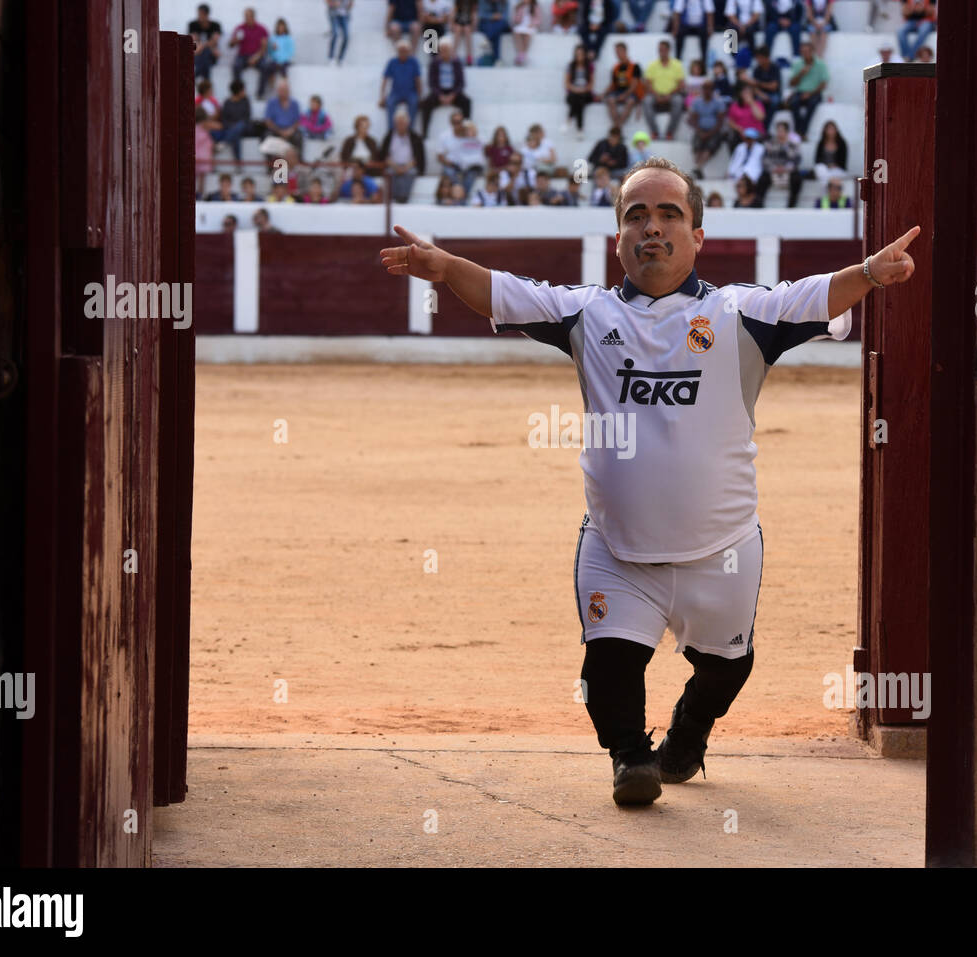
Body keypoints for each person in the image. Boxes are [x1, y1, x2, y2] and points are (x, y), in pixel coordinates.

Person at [379, 158, 921, 806]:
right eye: (636, 215)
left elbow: (809, 294)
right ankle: (631, 757)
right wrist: (443, 268)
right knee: (607, 672)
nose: (652, 227)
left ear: (698, 236)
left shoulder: (739, 313)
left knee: (727, 667)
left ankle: (689, 734)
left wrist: (866, 273)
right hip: (617, 549)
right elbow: (506, 291)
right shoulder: (588, 315)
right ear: (618, 239)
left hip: (720, 550)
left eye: (669, 214)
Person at [420, 37, 473, 138]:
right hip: (438, 93)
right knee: (426, 104)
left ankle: (467, 132)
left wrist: (453, 95)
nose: (444, 52)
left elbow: (461, 83)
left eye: (446, 50)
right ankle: (424, 134)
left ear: (451, 50)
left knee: (467, 102)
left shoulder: (457, 63)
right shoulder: (434, 63)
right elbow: (431, 83)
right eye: (442, 50)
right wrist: (440, 95)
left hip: (453, 92)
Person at [379, 107, 426, 203]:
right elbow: (383, 155)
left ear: (407, 123)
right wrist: (396, 167)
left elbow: (419, 157)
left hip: (410, 166)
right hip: (392, 165)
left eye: (402, 123)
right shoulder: (389, 136)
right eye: (398, 123)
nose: (400, 125)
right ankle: (394, 198)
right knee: (391, 174)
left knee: (409, 174)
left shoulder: (415, 137)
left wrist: (405, 168)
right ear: (395, 124)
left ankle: (403, 199)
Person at [786, 39, 828, 140]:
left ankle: (801, 132)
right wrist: (801, 74)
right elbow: (791, 83)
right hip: (800, 92)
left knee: (811, 105)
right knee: (794, 103)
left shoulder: (821, 64)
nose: (805, 54)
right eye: (803, 52)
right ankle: (799, 131)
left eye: (807, 52)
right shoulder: (797, 64)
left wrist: (810, 93)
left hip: (815, 92)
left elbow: (823, 83)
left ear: (812, 52)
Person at [643, 41, 686, 141]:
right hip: (655, 95)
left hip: (672, 95)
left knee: (679, 101)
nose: (661, 52)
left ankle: (669, 132)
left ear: (668, 50)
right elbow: (648, 83)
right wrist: (656, 95)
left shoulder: (677, 64)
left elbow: (681, 84)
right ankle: (654, 132)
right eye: (659, 50)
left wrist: (670, 95)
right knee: (647, 101)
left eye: (663, 50)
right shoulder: (652, 65)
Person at [380, 38, 423, 131]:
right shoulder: (392, 62)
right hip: (396, 92)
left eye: (405, 51)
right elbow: (385, 79)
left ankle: (410, 131)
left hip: (411, 92)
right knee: (390, 104)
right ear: (397, 51)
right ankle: (391, 131)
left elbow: (418, 80)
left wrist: (420, 96)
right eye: (401, 51)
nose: (403, 53)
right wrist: (382, 96)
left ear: (409, 51)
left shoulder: (414, 62)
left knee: (414, 103)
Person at [687, 79, 727, 178]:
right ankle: (698, 168)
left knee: (710, 146)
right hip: (700, 130)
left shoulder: (718, 102)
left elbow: (720, 121)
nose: (707, 91)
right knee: (697, 146)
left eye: (709, 89)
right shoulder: (697, 102)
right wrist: (700, 132)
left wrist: (709, 133)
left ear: (713, 90)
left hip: (714, 131)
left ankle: (697, 169)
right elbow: (693, 118)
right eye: (705, 88)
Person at [758, 118, 802, 206]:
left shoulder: (792, 144)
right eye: (778, 131)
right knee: (762, 180)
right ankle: (759, 204)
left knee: (797, 179)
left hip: (788, 171)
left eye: (782, 131)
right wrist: (774, 168)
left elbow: (797, 160)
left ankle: (791, 205)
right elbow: (765, 159)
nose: (779, 133)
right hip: (773, 170)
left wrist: (785, 168)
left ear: (787, 132)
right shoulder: (770, 143)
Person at [602, 42, 644, 129]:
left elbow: (634, 85)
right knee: (610, 100)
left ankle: (617, 127)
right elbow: (612, 85)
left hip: (631, 93)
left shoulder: (635, 66)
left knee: (630, 102)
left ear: (625, 51)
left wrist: (625, 95)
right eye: (616, 52)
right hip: (618, 91)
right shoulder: (616, 68)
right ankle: (618, 126)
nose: (617, 54)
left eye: (619, 51)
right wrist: (602, 94)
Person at [228, 8, 269, 86]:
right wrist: (234, 41)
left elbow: (264, 47)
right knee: (236, 66)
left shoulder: (261, 29)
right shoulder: (240, 28)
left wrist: (256, 57)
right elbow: (230, 45)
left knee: (265, 67)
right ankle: (239, 92)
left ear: (253, 17)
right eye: (245, 16)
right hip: (242, 56)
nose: (246, 18)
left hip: (257, 56)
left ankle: (260, 94)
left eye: (248, 16)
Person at [743, 46, 782, 129]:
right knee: (754, 103)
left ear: (766, 58)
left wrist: (758, 83)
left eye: (760, 58)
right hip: (760, 94)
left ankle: (766, 128)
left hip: (773, 94)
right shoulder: (757, 69)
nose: (758, 60)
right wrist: (762, 94)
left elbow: (774, 87)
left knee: (773, 102)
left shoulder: (775, 68)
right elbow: (754, 87)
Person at [263, 79, 303, 154]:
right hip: (275, 130)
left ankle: (297, 161)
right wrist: (280, 131)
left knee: (298, 136)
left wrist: (290, 130)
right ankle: (271, 163)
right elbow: (268, 121)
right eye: (282, 90)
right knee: (266, 135)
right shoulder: (271, 103)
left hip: (291, 130)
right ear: (278, 91)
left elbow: (298, 121)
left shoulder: (295, 103)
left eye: (285, 90)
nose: (284, 92)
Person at [564, 43, 596, 138]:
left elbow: (591, 84)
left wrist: (582, 90)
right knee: (578, 100)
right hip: (573, 93)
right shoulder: (571, 66)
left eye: (581, 54)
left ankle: (569, 119)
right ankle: (580, 129)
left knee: (580, 98)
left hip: (586, 93)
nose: (579, 56)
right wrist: (576, 89)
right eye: (577, 54)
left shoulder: (589, 66)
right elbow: (567, 83)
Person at [724, 0, 766, 67]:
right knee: (731, 31)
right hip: (737, 24)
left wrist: (746, 26)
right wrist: (740, 26)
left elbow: (757, 14)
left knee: (750, 31)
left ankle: (752, 57)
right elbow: (730, 15)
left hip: (751, 23)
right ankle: (733, 58)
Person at [259, 18, 294, 97]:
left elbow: (290, 52)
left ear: (285, 28)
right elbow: (270, 52)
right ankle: (272, 91)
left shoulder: (288, 38)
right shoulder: (273, 38)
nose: (280, 29)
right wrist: (272, 48)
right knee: (268, 69)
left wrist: (281, 61)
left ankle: (285, 92)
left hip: (284, 61)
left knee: (283, 70)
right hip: (275, 61)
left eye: (282, 27)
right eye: (279, 27)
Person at [725, 85, 765, 151]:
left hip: (756, 133)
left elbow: (760, 118)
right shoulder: (734, 105)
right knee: (732, 140)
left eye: (749, 93)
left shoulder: (758, 104)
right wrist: (739, 129)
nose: (747, 95)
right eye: (745, 93)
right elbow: (730, 121)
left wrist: (752, 103)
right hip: (741, 133)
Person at [189, 4, 223, 80]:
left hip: (210, 54)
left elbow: (215, 40)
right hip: (199, 54)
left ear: (206, 14)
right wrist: (206, 45)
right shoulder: (193, 24)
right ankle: (206, 81)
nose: (199, 16)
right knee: (205, 55)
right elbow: (193, 39)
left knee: (206, 52)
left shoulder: (215, 25)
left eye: (201, 14)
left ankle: (195, 75)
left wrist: (202, 46)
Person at [812, 119, 847, 184]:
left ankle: (829, 190)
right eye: (829, 129)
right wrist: (827, 165)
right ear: (825, 131)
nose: (831, 132)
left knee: (829, 175)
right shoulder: (821, 143)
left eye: (832, 129)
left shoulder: (842, 144)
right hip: (824, 169)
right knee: (820, 168)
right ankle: (829, 189)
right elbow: (817, 160)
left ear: (836, 130)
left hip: (837, 170)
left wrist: (835, 165)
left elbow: (843, 162)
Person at [477, 0, 511, 64]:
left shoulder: (504, 2)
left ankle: (488, 39)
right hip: (487, 24)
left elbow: (506, 16)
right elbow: (481, 15)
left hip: (500, 24)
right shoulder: (482, 1)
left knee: (500, 23)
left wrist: (498, 17)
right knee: (496, 31)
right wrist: (492, 16)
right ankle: (497, 59)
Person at [510, 0, 541, 66]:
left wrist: (532, 24)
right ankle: (521, 53)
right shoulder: (520, 6)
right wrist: (517, 21)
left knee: (527, 33)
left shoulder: (535, 7)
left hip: (531, 25)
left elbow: (538, 19)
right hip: (521, 25)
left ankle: (523, 54)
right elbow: (515, 18)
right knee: (516, 31)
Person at [452, 0, 479, 65]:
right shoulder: (458, 2)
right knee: (458, 30)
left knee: (467, 31)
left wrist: (474, 25)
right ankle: (453, 55)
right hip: (459, 20)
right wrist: (452, 24)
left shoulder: (473, 2)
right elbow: (454, 12)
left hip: (468, 21)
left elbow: (474, 13)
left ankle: (469, 56)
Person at [327, 0, 353, 64]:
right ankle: (331, 57)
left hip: (344, 15)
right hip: (334, 14)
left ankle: (340, 58)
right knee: (335, 34)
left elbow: (351, 4)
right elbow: (328, 2)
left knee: (346, 36)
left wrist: (349, 6)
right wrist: (334, 4)